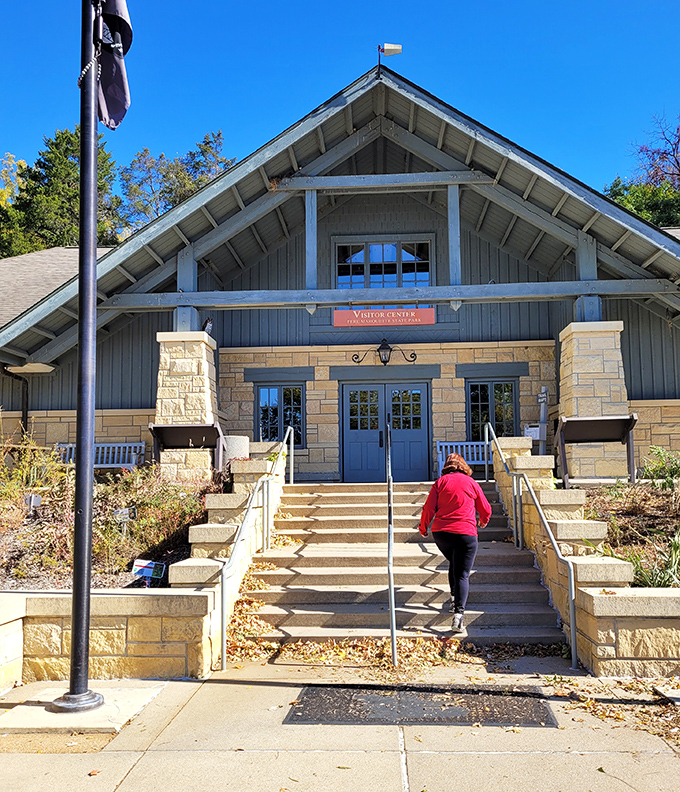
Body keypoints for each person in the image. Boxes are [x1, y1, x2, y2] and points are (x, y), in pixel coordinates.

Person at [418, 453, 492, 635]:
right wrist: (483, 520)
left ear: (447, 467)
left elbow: (428, 508)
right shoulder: (472, 482)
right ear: (464, 466)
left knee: (454, 563)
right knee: (463, 574)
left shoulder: (440, 483)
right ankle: (458, 616)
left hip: (442, 533)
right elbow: (485, 507)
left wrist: (423, 526)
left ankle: (453, 600)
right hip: (466, 534)